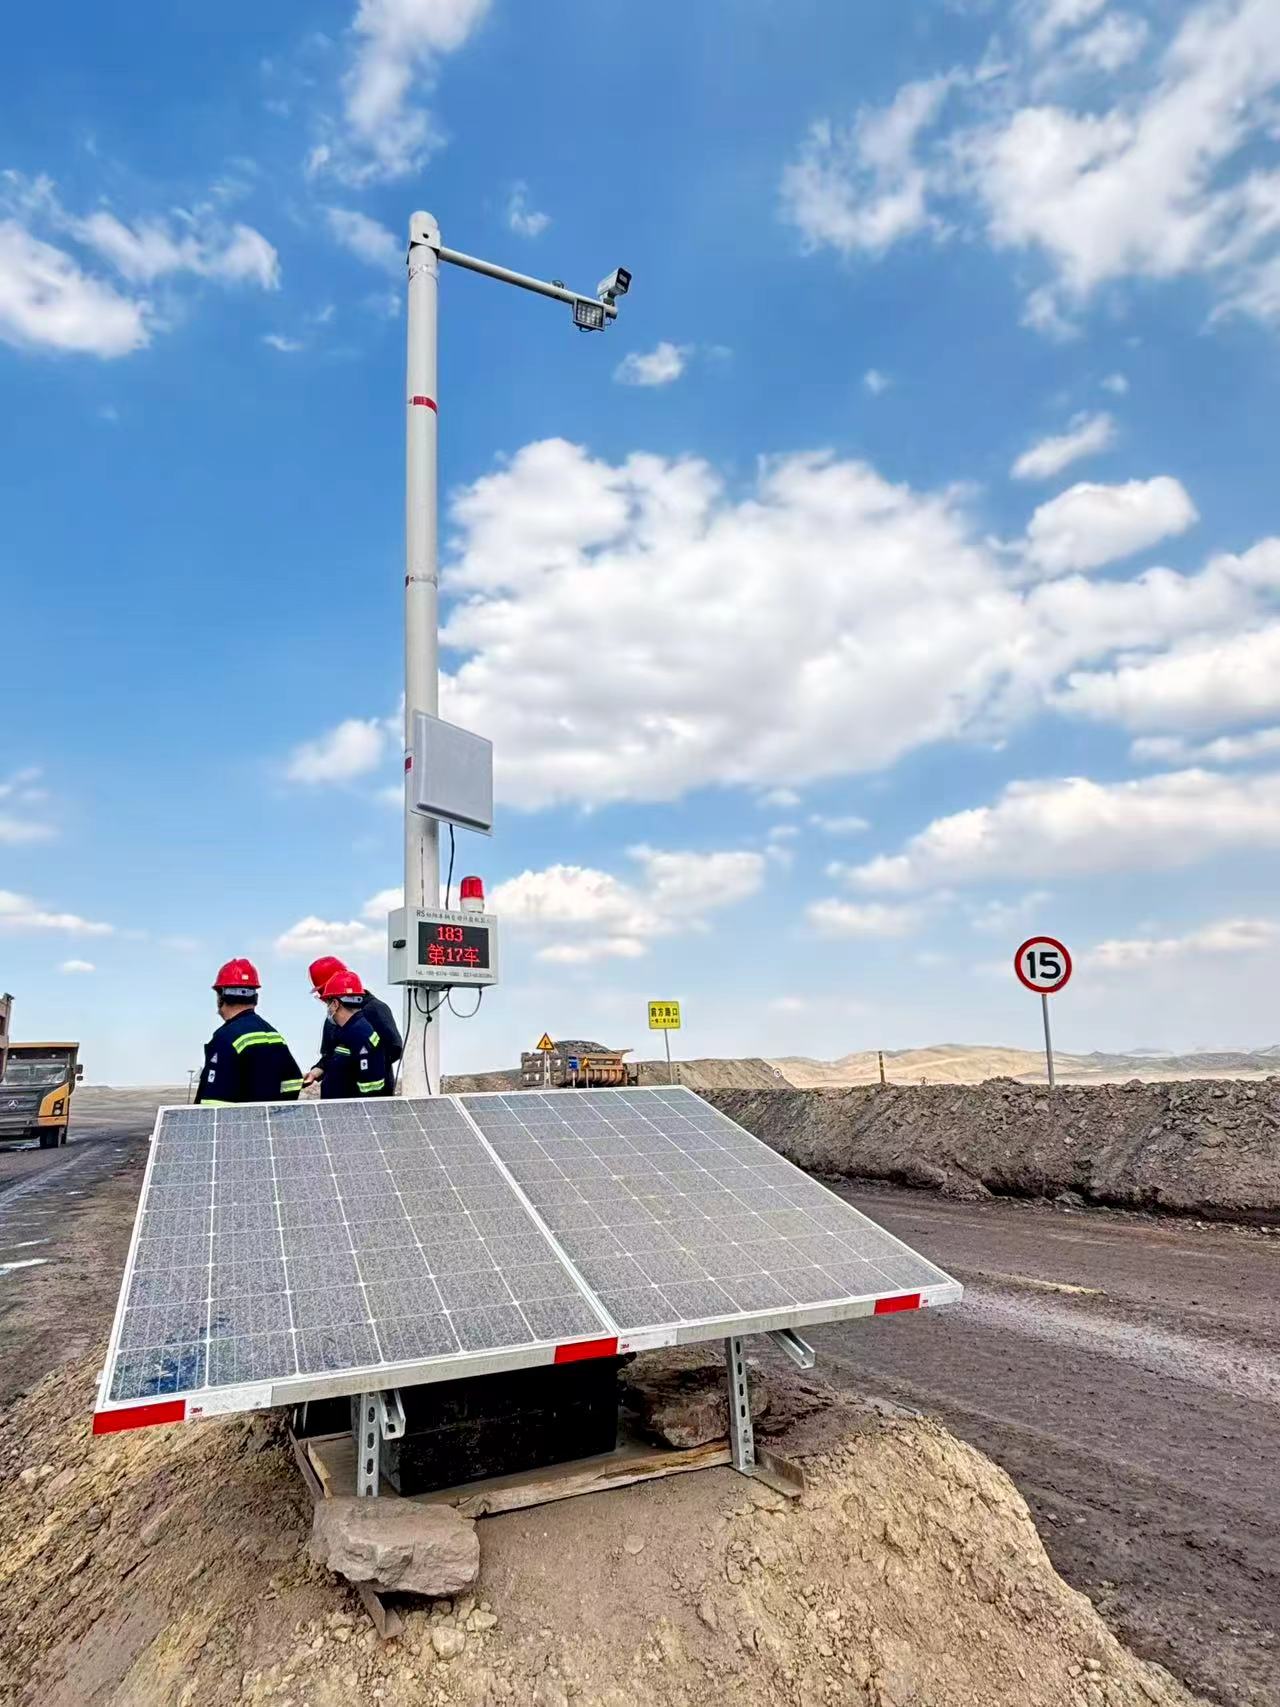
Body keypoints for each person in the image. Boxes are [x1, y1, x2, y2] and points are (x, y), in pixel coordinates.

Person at [195, 959, 303, 1106]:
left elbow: (213, 1104)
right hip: (268, 1126)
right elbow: (294, 1082)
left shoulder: (225, 1039)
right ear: (255, 998)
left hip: (236, 1127)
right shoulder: (273, 1035)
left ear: (221, 996)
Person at [302, 955, 403, 1091]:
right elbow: (329, 1054)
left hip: (367, 1094)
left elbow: (394, 1048)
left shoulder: (375, 1009)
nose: (324, 1000)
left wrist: (360, 1064)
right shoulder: (332, 1017)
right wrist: (316, 1071)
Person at [318, 970, 392, 1099]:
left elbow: (370, 1091)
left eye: (328, 1003)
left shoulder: (359, 1035)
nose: (328, 1008)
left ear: (335, 1004)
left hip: (351, 1115)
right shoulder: (350, 1029)